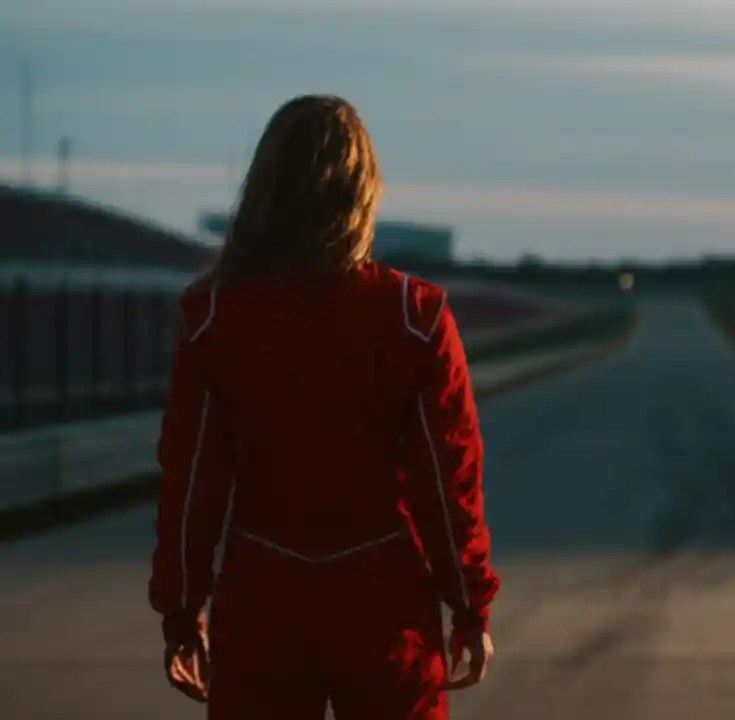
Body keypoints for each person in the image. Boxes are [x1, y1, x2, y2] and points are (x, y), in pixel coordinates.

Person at [147, 95, 499, 719]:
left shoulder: (214, 319)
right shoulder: (412, 319)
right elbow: (447, 482)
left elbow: (192, 477)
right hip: (384, 603)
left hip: (264, 597)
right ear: (362, 192)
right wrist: (469, 605)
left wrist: (182, 608)